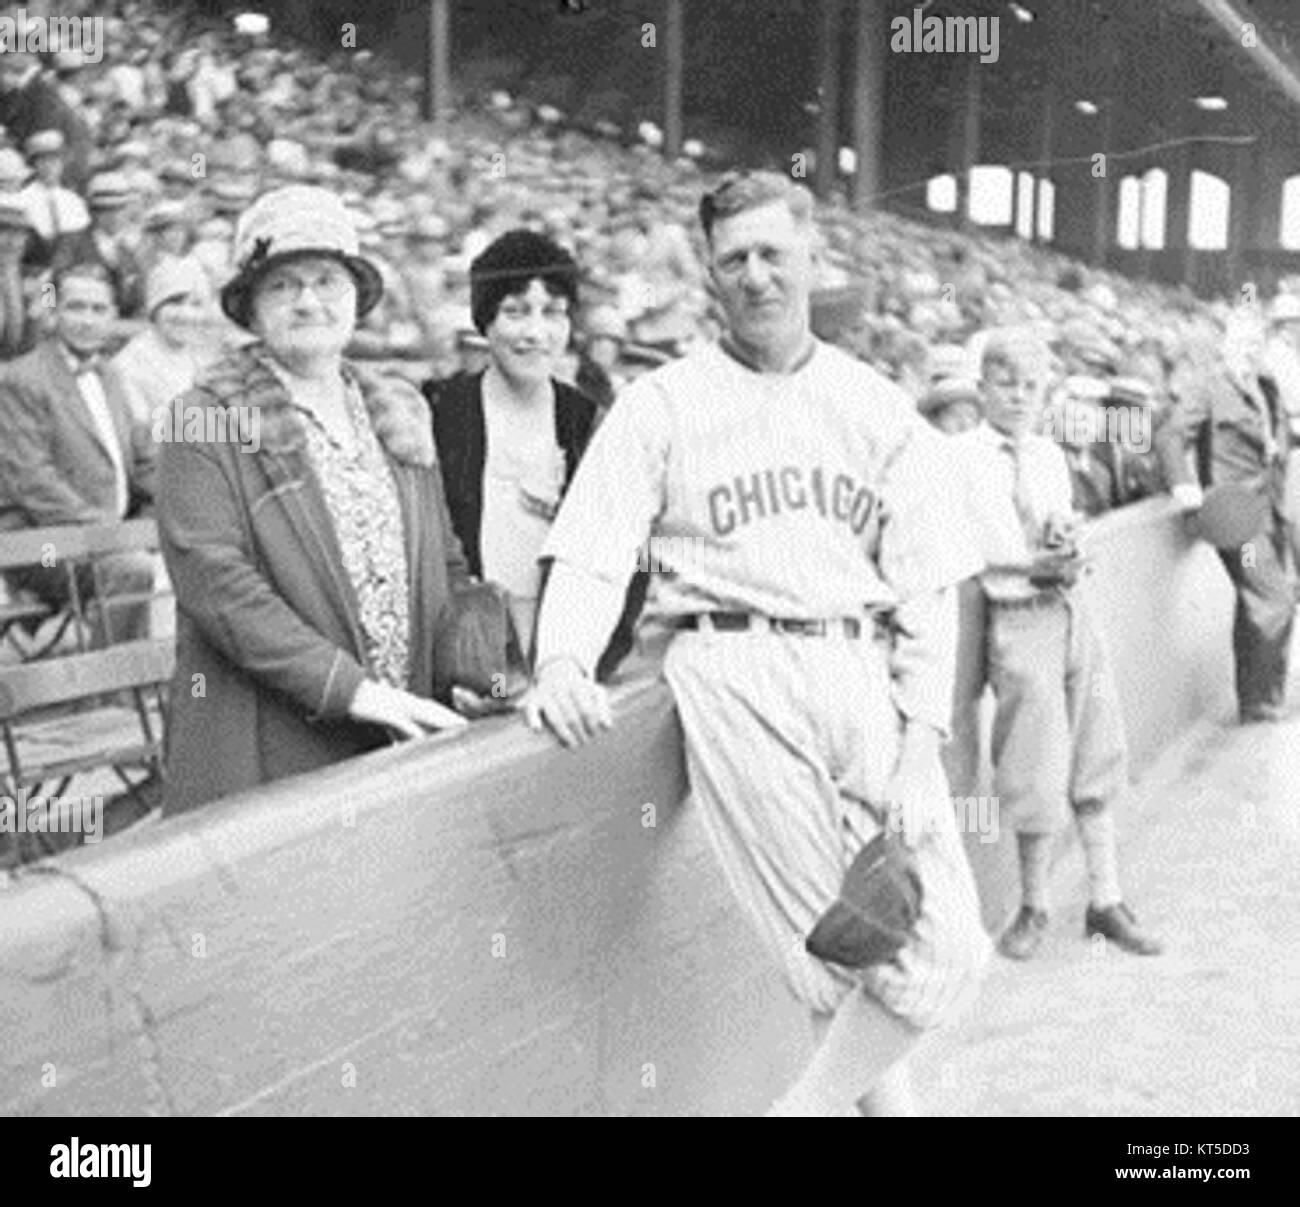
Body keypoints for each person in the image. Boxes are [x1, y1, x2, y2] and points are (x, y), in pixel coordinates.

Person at [523, 171, 991, 1116]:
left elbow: (927, 593)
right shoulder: (664, 402)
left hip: (859, 663)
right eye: (734, 258)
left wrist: (919, 743)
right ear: (709, 274)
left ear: (815, 260)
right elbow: (591, 548)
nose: (756, 275)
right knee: (838, 949)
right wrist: (563, 659)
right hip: (730, 666)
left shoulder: (873, 403)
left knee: (947, 946)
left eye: (775, 253)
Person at [157, 185, 470, 816]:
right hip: (269, 746)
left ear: (357, 296)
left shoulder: (398, 410)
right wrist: (353, 691)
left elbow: (449, 566)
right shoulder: (202, 416)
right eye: (282, 285)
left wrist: (478, 672)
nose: (308, 300)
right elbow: (215, 582)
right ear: (250, 308)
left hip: (400, 733)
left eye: (327, 279)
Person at [952, 328, 1164, 961]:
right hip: (1015, 615)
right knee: (1033, 765)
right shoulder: (957, 457)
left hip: (1070, 607)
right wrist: (1025, 564)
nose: (1017, 398)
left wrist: (1066, 539)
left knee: (1097, 747)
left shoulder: (1046, 454)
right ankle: (1034, 905)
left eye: (1029, 386)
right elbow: (966, 549)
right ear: (982, 388)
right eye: (1005, 384)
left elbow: (1058, 519)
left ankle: (1106, 899)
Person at [426, 229, 599, 666]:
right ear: (486, 321)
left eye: (553, 312)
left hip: (561, 639)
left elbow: (622, 554)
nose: (535, 333)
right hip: (462, 636)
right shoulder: (439, 410)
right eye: (515, 312)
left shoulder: (585, 421)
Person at [0, 262, 156, 644]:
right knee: (131, 570)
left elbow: (144, 461)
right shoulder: (21, 379)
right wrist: (111, 531)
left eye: (98, 309)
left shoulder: (111, 376)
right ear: (54, 311)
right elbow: (33, 483)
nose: (87, 321)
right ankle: (115, 692)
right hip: (41, 548)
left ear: (114, 317)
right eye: (76, 307)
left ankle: (164, 688)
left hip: (107, 540)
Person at [1154, 311, 1295, 723]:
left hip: (1269, 510)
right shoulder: (1209, 388)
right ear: (1227, 346)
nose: (1252, 352)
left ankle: (1259, 696)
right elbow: (1170, 435)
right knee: (1273, 598)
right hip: (1236, 518)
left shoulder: (1268, 389)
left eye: (1258, 343)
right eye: (1244, 344)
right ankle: (1260, 702)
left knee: (1259, 601)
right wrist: (1185, 487)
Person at [111, 257, 216, 427]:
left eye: (196, 304)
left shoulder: (202, 353)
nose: (186, 314)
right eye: (174, 303)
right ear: (154, 309)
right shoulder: (129, 366)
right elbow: (142, 438)